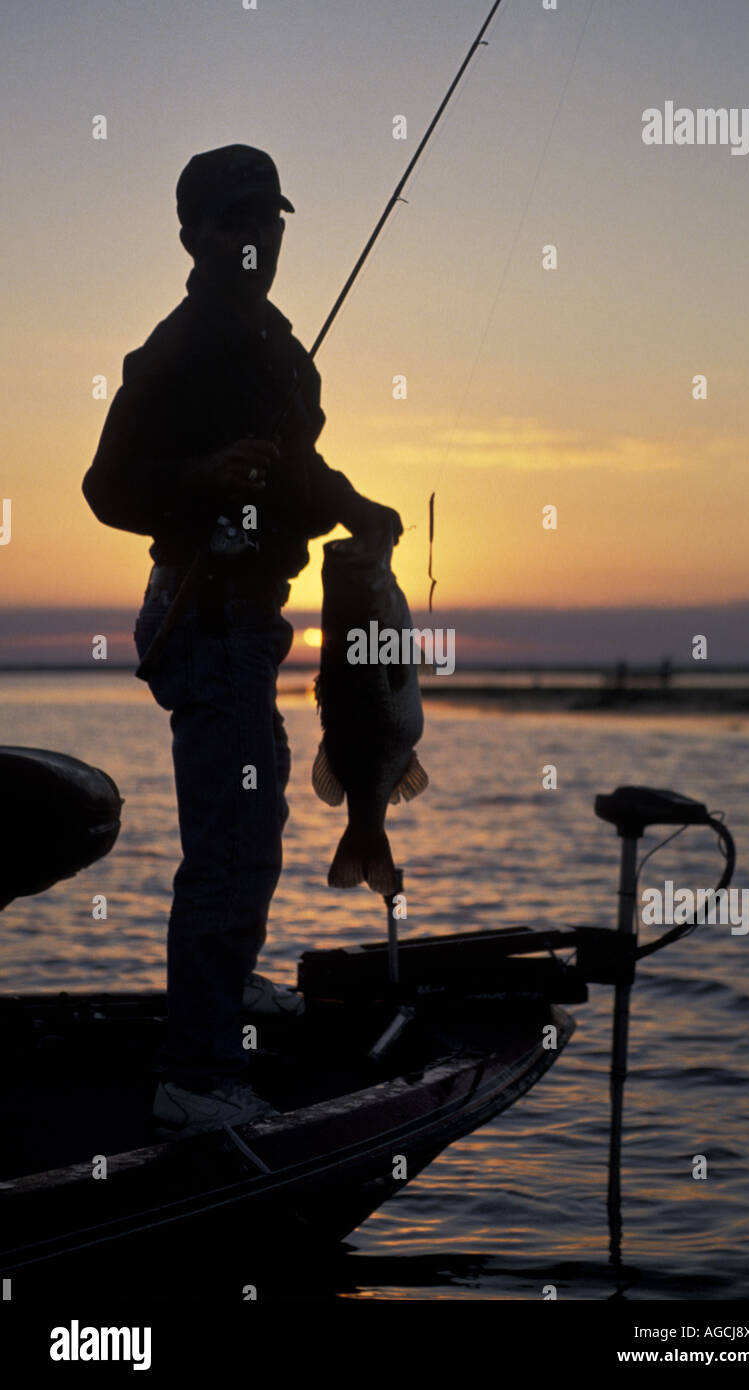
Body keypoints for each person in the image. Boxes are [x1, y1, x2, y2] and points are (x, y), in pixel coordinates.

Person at [82, 144, 402, 1139]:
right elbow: (106, 489)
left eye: (270, 215)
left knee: (252, 832)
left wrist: (355, 506)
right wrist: (205, 474)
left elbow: (299, 471)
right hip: (201, 617)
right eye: (236, 217)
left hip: (251, 627)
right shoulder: (175, 351)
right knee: (227, 850)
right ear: (194, 235)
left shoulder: (270, 344)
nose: (258, 232)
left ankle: (220, 986)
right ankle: (195, 1074)